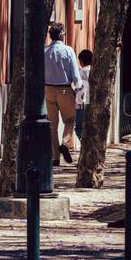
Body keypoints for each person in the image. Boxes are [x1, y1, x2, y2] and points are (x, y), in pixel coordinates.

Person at [44, 22, 81, 165]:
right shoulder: (68, 50)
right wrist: (79, 90)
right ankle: (65, 143)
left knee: (52, 125)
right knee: (70, 120)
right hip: (64, 89)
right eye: (64, 32)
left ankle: (55, 158)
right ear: (61, 35)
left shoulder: (45, 51)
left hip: (48, 90)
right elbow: (75, 74)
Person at [75, 49, 92, 144]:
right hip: (92, 103)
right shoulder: (94, 71)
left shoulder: (81, 72)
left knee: (79, 128)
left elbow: (80, 88)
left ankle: (84, 145)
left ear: (81, 61)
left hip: (82, 103)